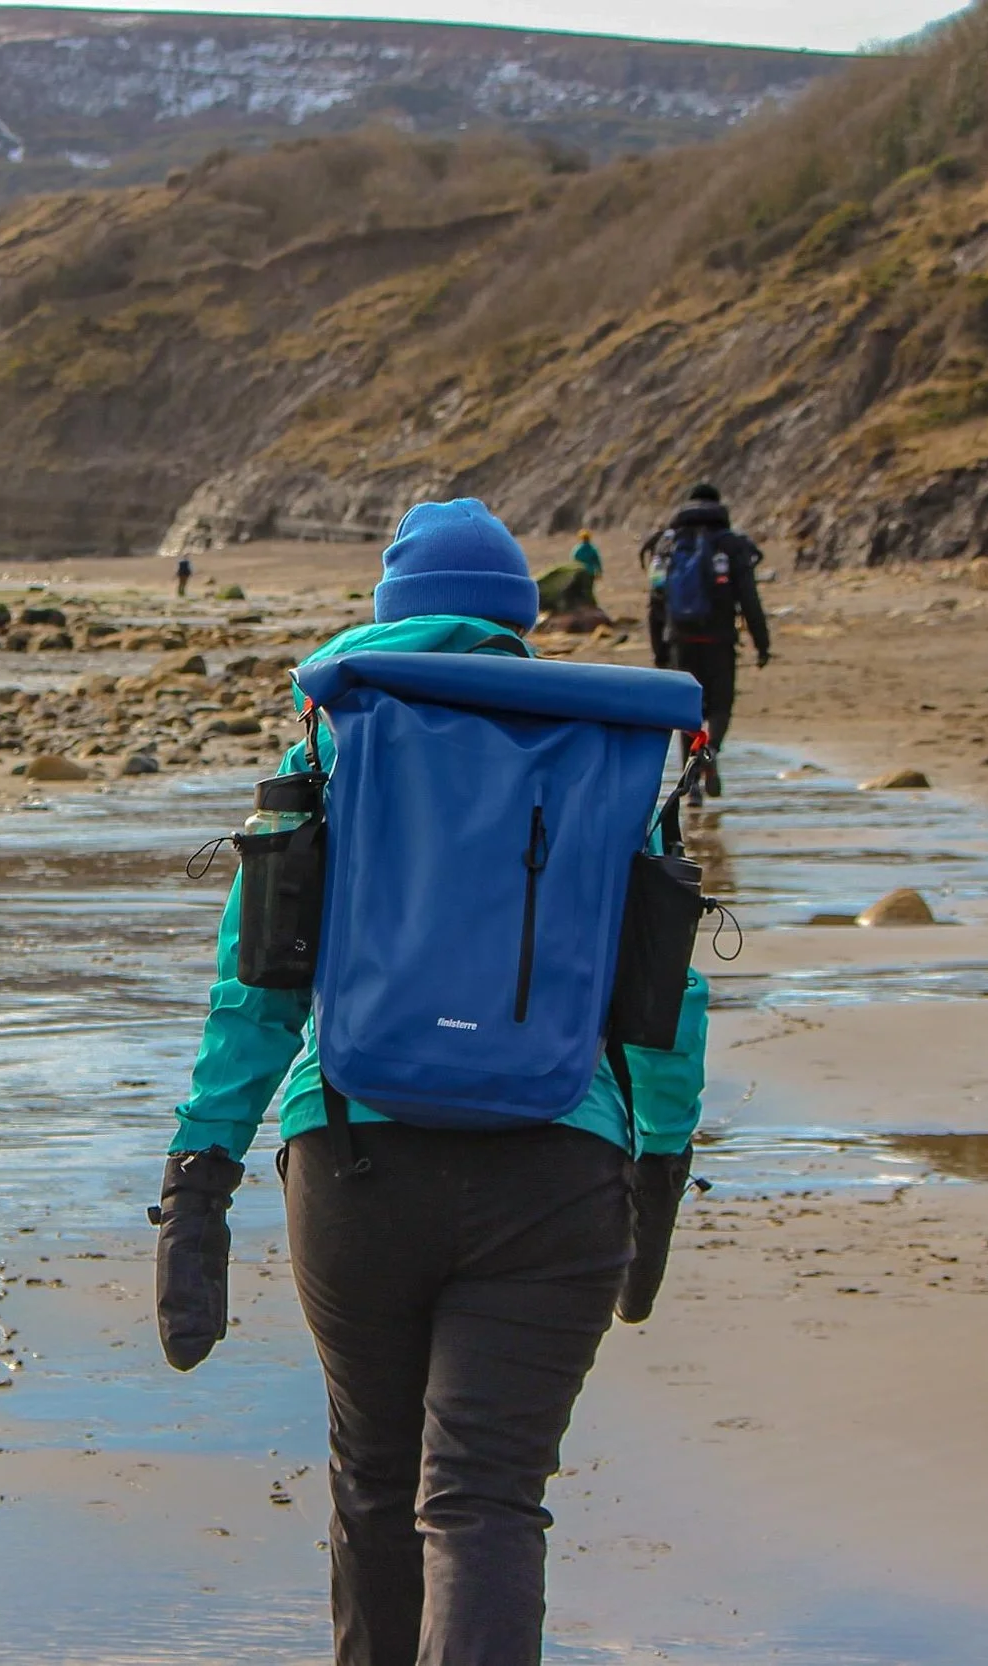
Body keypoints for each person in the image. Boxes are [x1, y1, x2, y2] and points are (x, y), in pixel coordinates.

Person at [152, 499, 708, 1666]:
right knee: (486, 1502)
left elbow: (253, 990)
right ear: (517, 622)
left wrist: (199, 1180)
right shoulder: (603, 751)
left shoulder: (334, 743)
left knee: (373, 1486)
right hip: (561, 1171)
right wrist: (657, 1177)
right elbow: (666, 1003)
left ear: (388, 616)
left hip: (357, 1161)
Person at [652, 484, 770, 802]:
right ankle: (711, 751)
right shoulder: (731, 544)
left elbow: (656, 600)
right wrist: (762, 644)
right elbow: (749, 598)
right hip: (719, 638)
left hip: (679, 638)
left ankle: (690, 784)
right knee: (720, 705)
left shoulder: (669, 543)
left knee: (687, 710)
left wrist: (660, 650)